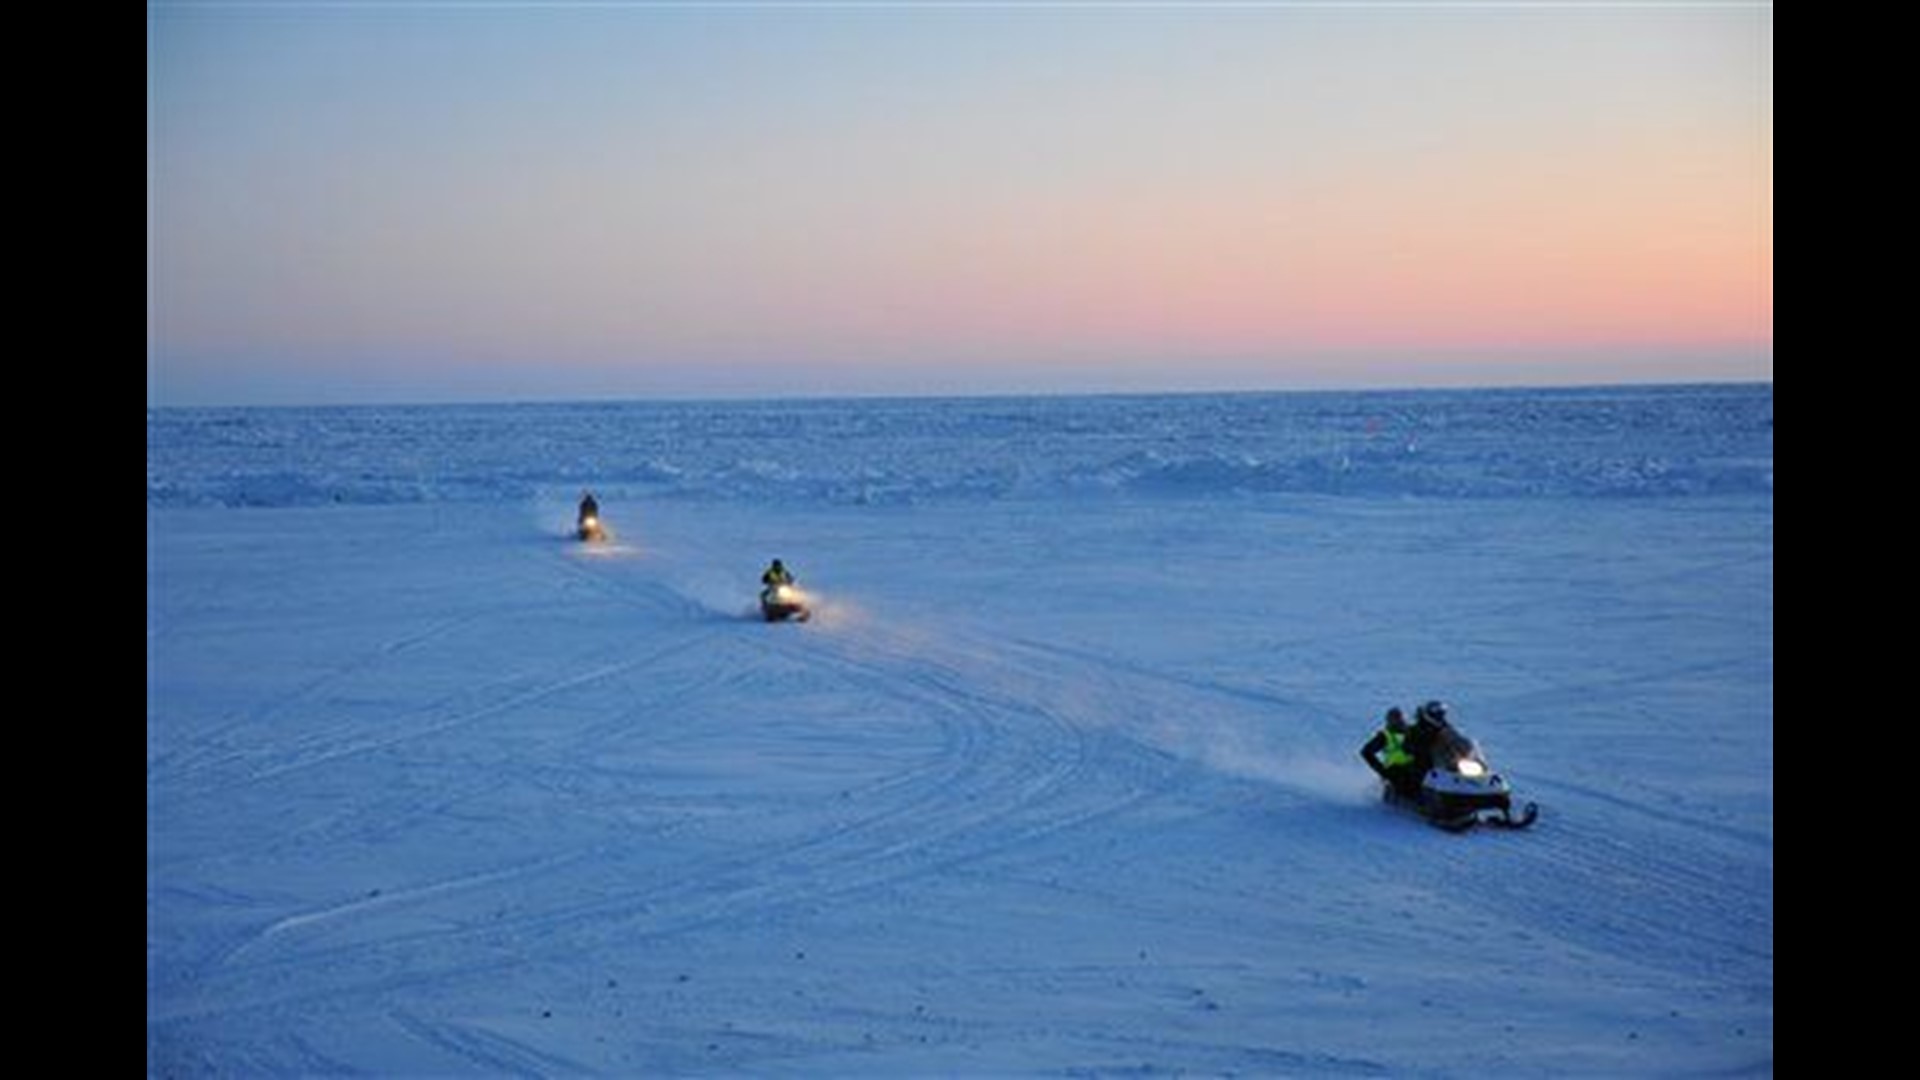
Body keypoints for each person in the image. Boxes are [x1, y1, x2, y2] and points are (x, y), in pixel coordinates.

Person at [1360, 707, 1423, 800]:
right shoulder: (1384, 736)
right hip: (1395, 771)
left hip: (1413, 768)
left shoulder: (1411, 731)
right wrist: (1382, 771)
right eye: (1394, 719)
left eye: (1399, 718)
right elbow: (1366, 752)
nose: (1398, 722)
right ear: (1389, 721)